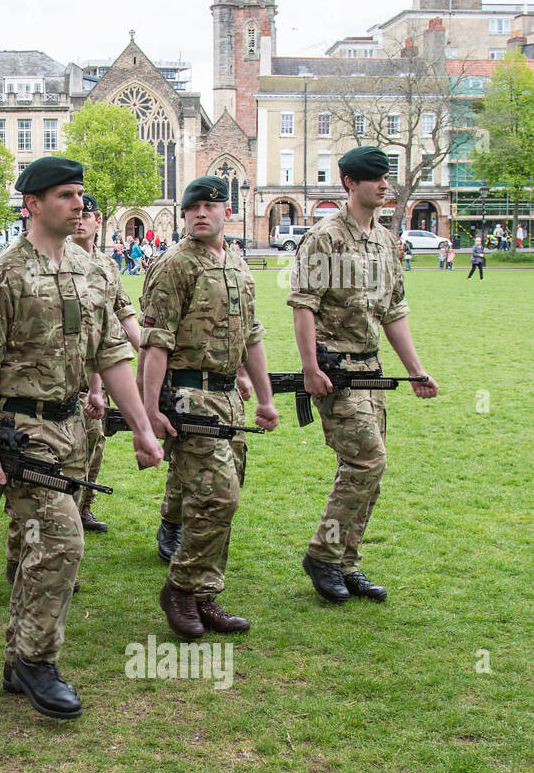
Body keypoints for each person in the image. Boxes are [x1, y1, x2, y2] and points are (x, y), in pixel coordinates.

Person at [0, 158, 161, 718]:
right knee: (61, 541)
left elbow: (114, 356)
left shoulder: (93, 270)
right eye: (66, 195)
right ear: (33, 204)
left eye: (80, 195)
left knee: (39, 546)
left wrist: (142, 428)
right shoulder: (5, 273)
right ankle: (36, 661)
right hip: (22, 431)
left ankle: (16, 656)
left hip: (74, 426)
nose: (79, 204)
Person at [289, 145, 438, 603]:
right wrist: (311, 367)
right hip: (337, 371)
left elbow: (394, 310)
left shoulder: (385, 240)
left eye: (386, 177)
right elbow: (303, 305)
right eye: (374, 177)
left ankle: (346, 562)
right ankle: (323, 554)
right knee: (365, 462)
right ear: (350, 182)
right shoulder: (325, 237)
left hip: (372, 370)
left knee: (369, 471)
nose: (384, 184)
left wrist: (416, 372)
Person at [141, 177, 278, 639]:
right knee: (219, 496)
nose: (201, 213)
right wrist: (149, 411)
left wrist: (265, 397)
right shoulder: (175, 266)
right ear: (183, 216)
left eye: (210, 206)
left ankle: (204, 594)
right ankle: (180, 589)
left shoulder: (237, 264)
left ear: (227, 211)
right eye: (192, 207)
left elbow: (253, 337)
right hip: (188, 397)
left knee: (219, 499)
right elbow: (154, 344)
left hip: (227, 399)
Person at [72, 194, 139, 533]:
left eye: (89, 214)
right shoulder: (61, 261)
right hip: (68, 375)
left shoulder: (109, 266)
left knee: (96, 442)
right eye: (77, 213)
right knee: (68, 450)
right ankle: (64, 512)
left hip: (101, 374)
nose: (81, 220)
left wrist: (150, 354)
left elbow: (123, 311)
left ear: (98, 221)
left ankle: (84, 506)